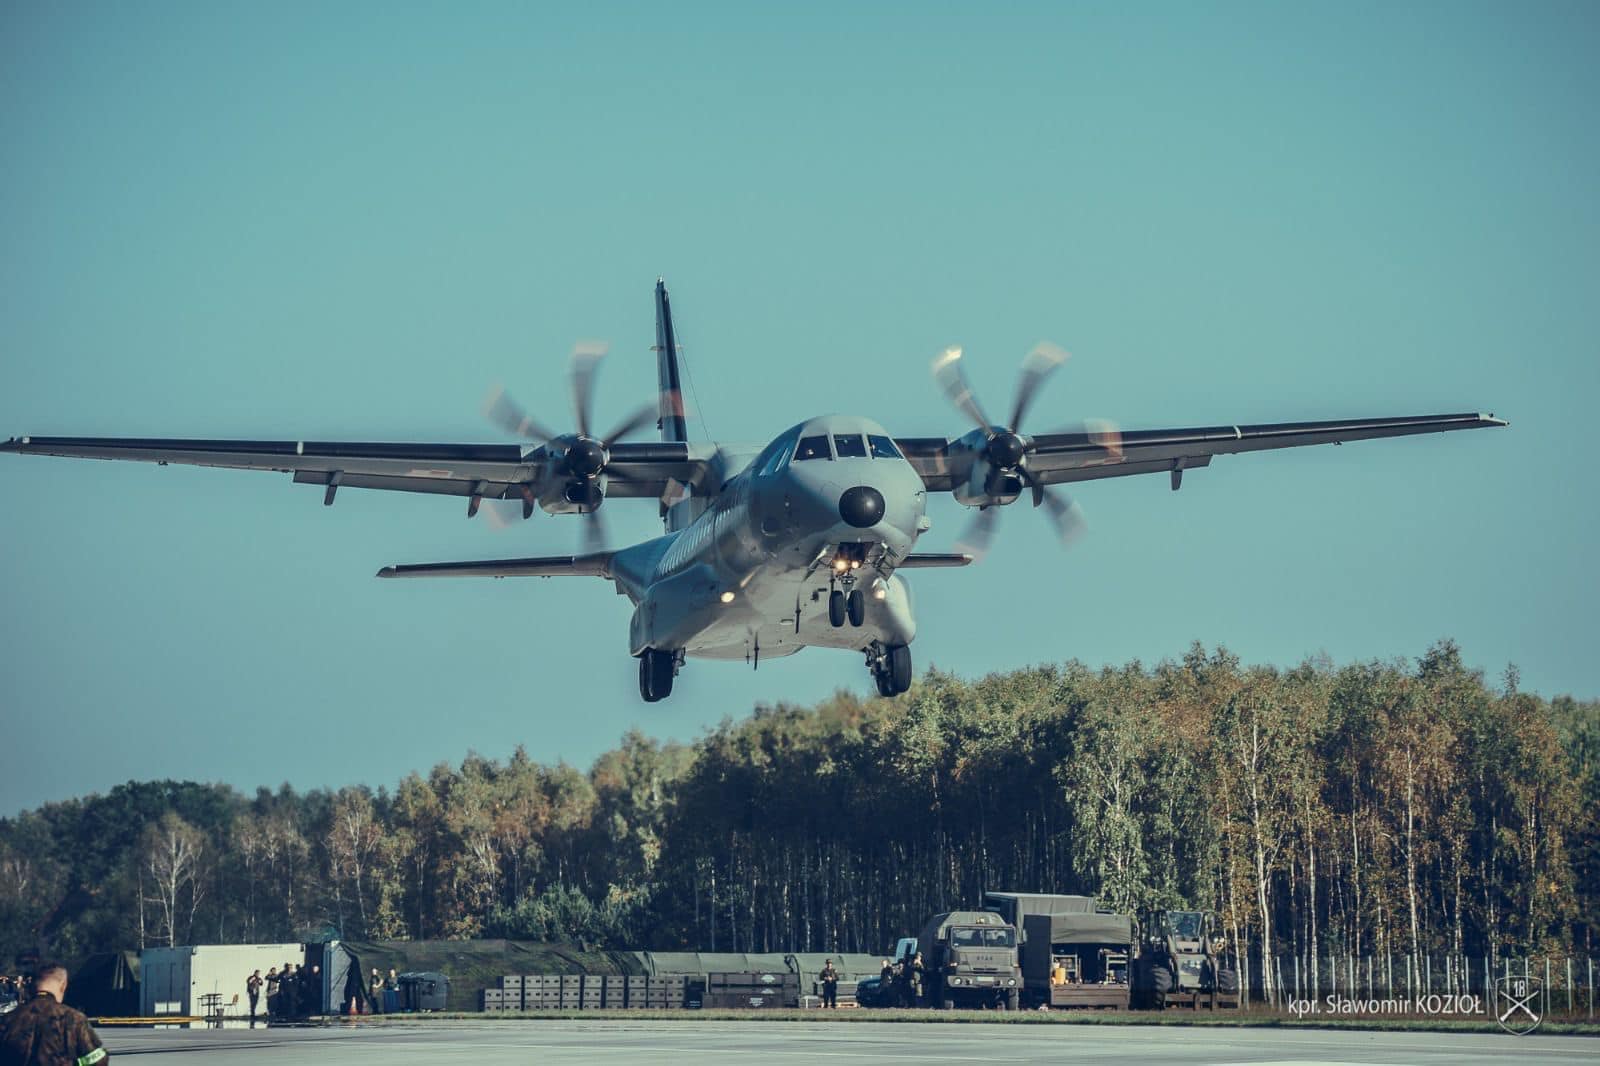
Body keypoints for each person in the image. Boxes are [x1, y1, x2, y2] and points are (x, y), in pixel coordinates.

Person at [0, 960, 107, 1065]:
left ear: (32, 985)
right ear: (63, 985)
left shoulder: (8, 1019)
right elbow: (97, 1060)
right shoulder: (73, 1018)